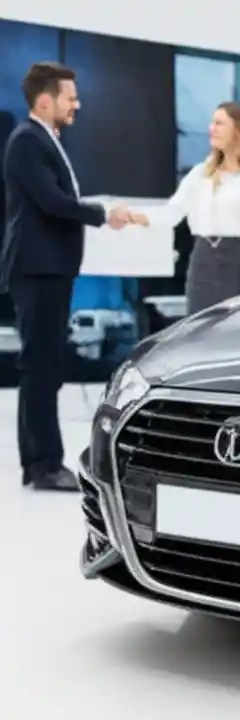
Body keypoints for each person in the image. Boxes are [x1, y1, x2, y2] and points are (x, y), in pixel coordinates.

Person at [1, 62, 131, 491]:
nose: (77, 104)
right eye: (70, 97)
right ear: (45, 99)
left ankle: (37, 463)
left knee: (42, 367)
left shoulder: (43, 140)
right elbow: (53, 202)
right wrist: (102, 214)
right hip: (37, 269)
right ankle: (44, 465)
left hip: (47, 269)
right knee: (40, 369)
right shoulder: (27, 141)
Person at [131, 102, 240, 314]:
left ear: (238, 130)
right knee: (199, 330)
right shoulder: (200, 173)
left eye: (219, 123)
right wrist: (133, 216)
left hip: (237, 261)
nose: (211, 128)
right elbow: (172, 212)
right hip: (202, 260)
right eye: (211, 123)